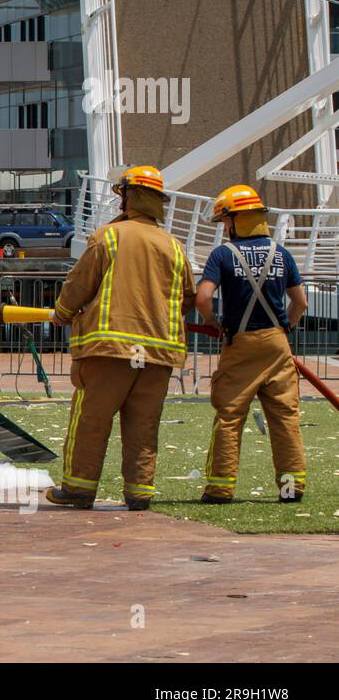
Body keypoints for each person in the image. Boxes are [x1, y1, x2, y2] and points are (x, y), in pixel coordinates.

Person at [46, 165, 195, 511]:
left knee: (91, 420)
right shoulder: (173, 246)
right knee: (143, 425)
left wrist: (62, 314)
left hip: (110, 351)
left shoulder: (108, 237)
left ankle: (79, 489)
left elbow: (79, 286)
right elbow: (186, 298)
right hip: (157, 355)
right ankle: (139, 493)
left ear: (131, 197)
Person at [195, 184, 307, 504]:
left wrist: (212, 323)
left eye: (226, 222)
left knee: (230, 416)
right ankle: (291, 488)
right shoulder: (281, 253)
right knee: (284, 417)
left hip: (240, 344)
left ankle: (220, 489)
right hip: (276, 344)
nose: (225, 229)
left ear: (237, 220)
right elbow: (300, 302)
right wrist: (285, 327)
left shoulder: (223, 255)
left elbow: (203, 298)